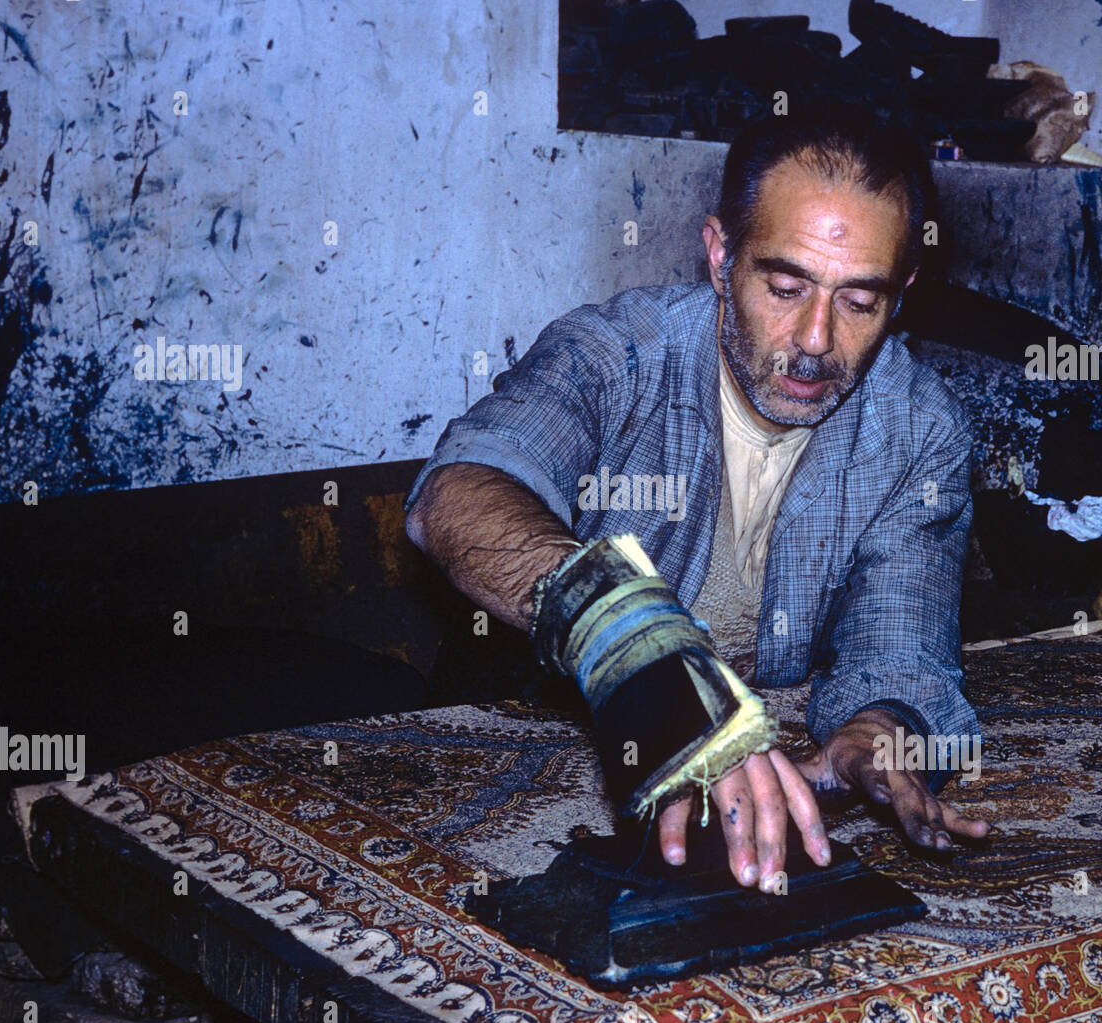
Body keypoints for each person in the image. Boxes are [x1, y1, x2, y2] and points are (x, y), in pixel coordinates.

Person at [405, 99, 989, 891]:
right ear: (719, 256)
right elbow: (459, 495)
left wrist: (873, 734)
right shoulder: (613, 358)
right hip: (526, 759)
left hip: (753, 781)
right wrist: (631, 641)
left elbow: (900, 647)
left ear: (901, 291)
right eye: (785, 286)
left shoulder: (921, 430)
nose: (817, 339)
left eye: (859, 302)